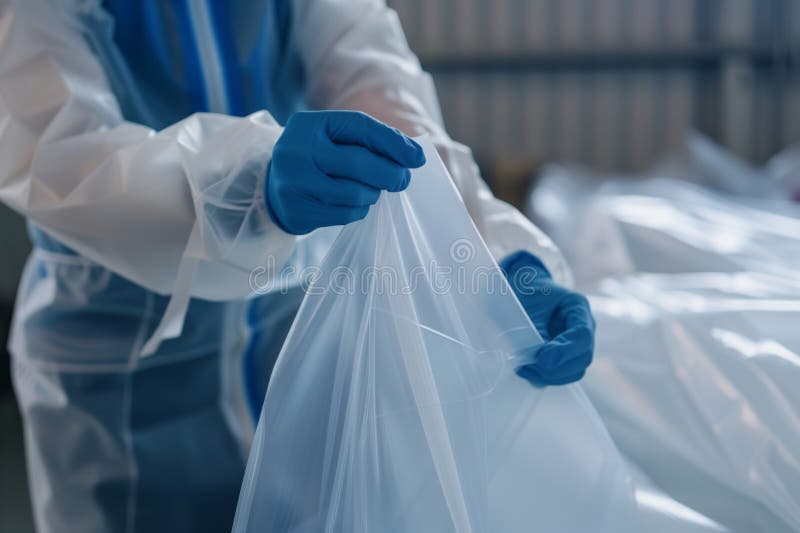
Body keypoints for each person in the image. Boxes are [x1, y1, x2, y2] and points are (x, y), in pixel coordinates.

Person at [0, 0, 594, 531]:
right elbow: (56, 150)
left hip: (297, 343)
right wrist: (241, 182)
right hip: (122, 371)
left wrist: (493, 261)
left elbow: (386, 100)